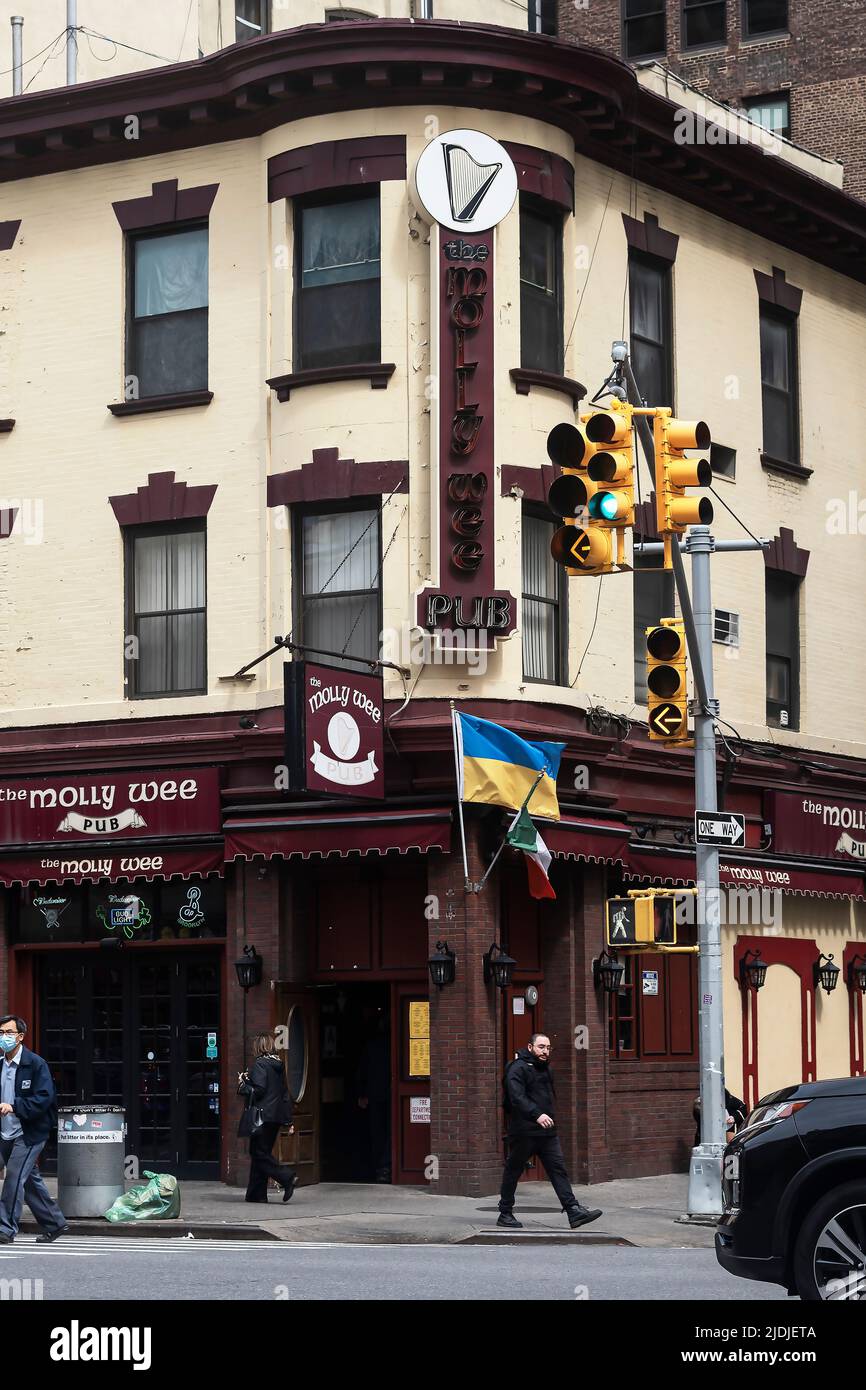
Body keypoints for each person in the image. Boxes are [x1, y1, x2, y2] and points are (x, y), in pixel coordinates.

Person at [498, 1033, 602, 1231]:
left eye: (548, 1048)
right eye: (541, 1047)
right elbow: (516, 1098)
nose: (545, 1051)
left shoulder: (545, 1069)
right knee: (513, 1170)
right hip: (524, 1131)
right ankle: (505, 1213)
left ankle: (573, 1210)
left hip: (546, 1132)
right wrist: (537, 1114)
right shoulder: (517, 1069)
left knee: (558, 1169)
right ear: (530, 1047)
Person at [0, 1014, 68, 1244]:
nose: (3, 1037)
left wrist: (14, 1106)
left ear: (20, 1036)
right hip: (5, 1132)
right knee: (29, 1180)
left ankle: (6, 1229)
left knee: (13, 1178)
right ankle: (55, 1223)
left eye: (8, 1033)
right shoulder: (0, 1065)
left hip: (29, 1133)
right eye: (0, 1033)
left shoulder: (35, 1064)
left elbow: (44, 1098)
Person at [238, 1033, 297, 1204]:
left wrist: (243, 1085)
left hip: (262, 1116)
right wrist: (288, 1120)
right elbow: (284, 1094)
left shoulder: (260, 1064)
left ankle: (287, 1177)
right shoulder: (278, 1064)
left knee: (258, 1153)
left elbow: (259, 1090)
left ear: (259, 1047)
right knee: (260, 1154)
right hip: (275, 1117)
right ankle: (256, 1194)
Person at [356, 1014, 391, 1183]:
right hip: (388, 1093)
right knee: (389, 1132)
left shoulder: (371, 1045)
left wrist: (362, 1093)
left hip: (375, 1093)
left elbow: (363, 1070)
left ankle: (380, 1167)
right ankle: (385, 1166)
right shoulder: (396, 1043)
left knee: (378, 1132)